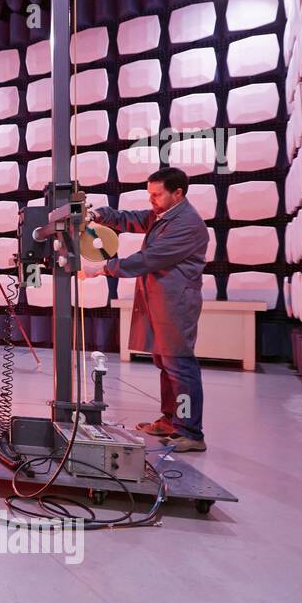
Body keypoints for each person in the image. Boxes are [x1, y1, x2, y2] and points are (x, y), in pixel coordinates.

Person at [78, 166, 210, 452]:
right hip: (159, 300)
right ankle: (171, 419)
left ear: (178, 193)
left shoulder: (187, 224)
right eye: (149, 194)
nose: (152, 200)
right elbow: (132, 219)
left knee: (180, 365)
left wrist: (102, 268)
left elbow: (149, 259)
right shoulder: (164, 214)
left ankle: (190, 431)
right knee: (165, 364)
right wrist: (98, 214)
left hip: (176, 304)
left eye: (157, 195)